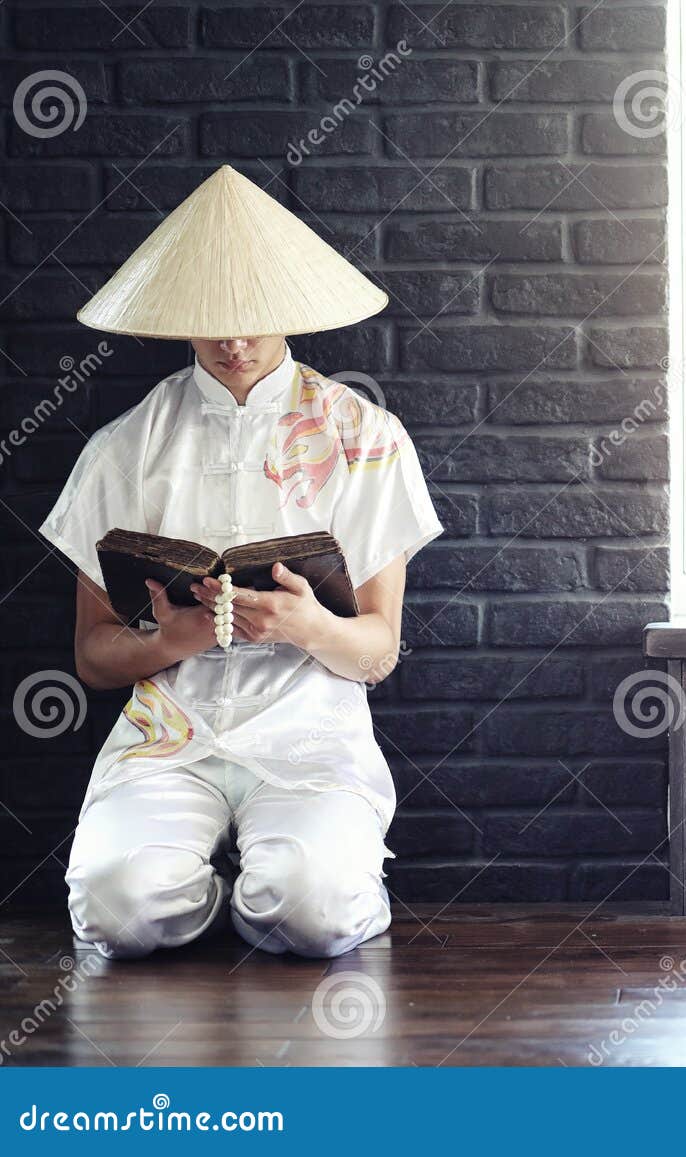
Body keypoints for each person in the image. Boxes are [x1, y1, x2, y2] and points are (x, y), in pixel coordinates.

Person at [40, 166, 441, 959]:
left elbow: (380, 650)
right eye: (212, 320)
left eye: (252, 317)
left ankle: (280, 886)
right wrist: (171, 640)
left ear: (287, 308)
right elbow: (91, 656)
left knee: (315, 912)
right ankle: (209, 886)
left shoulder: (365, 438)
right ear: (181, 318)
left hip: (310, 730)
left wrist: (308, 625)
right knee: (113, 911)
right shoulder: (125, 447)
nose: (233, 342)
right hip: (169, 731)